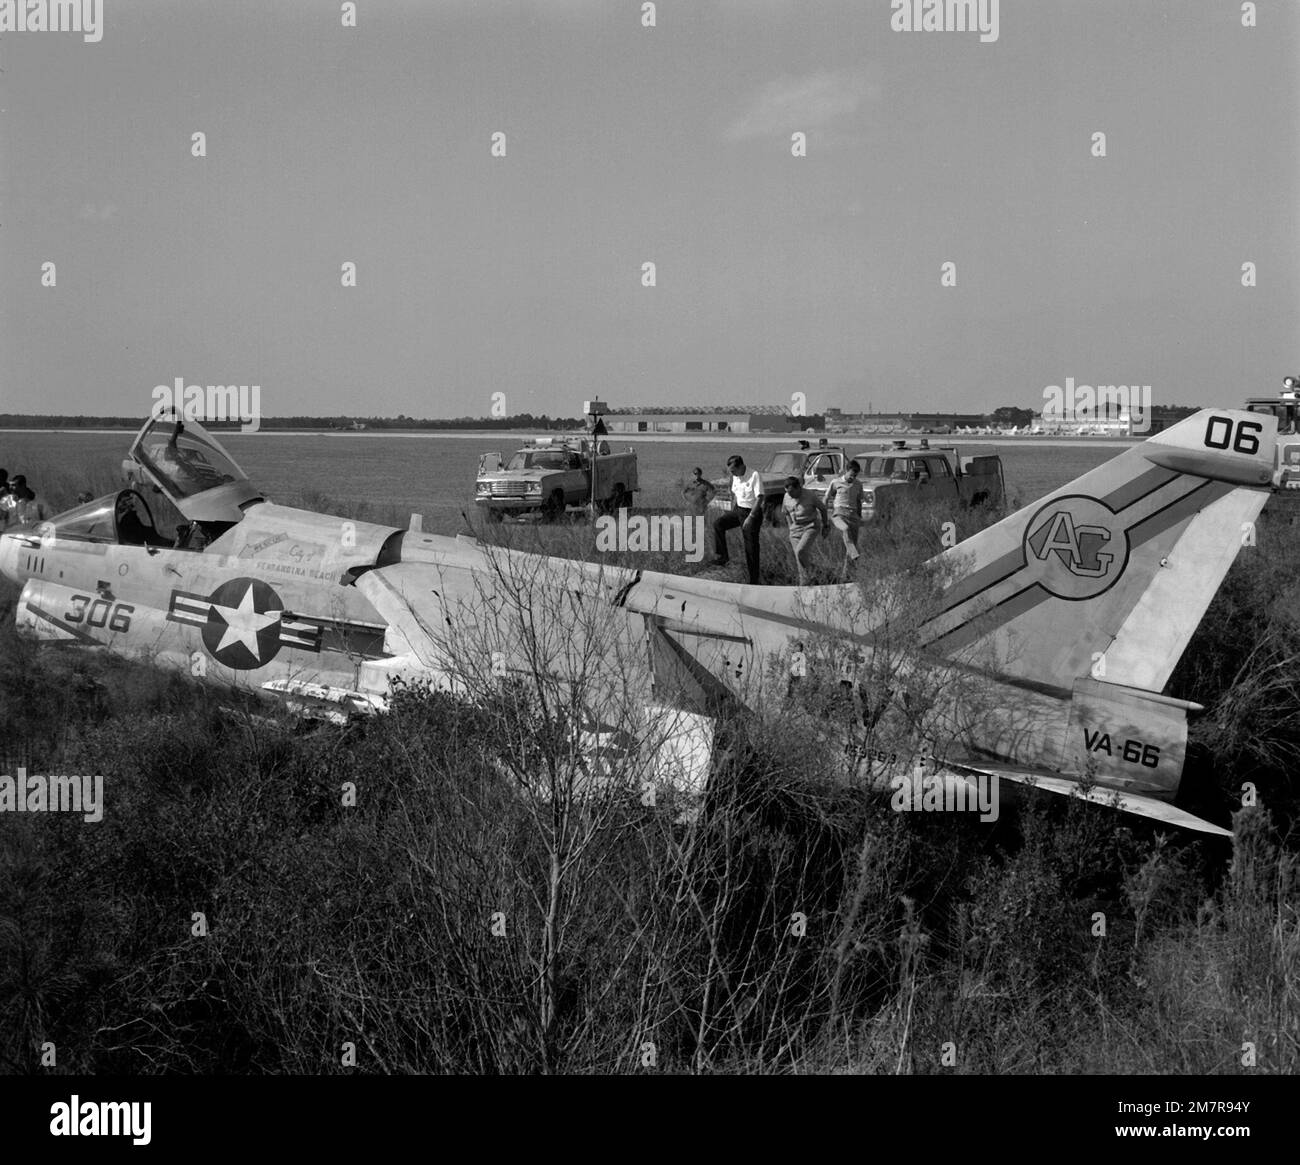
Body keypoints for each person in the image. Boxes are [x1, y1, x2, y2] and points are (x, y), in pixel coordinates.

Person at [710, 455, 763, 583]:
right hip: (738, 510)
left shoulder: (754, 475)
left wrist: (750, 518)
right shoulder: (735, 476)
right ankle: (723, 556)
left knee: (750, 548)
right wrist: (732, 511)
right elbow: (735, 494)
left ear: (741, 466)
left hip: (752, 514)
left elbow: (760, 498)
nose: (732, 473)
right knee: (719, 524)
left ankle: (754, 580)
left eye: (733, 470)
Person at [781, 476, 828, 586]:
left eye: (792, 492)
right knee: (799, 559)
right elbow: (786, 512)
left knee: (800, 551)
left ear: (799, 488)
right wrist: (790, 526)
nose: (790, 495)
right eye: (788, 492)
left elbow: (823, 508)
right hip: (795, 530)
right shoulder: (786, 496)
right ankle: (805, 584)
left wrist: (825, 525)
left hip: (810, 526)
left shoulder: (810, 495)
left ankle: (814, 573)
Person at [825, 459, 864, 576]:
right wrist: (824, 514)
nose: (853, 477)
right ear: (846, 471)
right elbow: (826, 498)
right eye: (851, 475)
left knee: (851, 545)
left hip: (853, 515)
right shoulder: (836, 482)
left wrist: (859, 515)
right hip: (839, 514)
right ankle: (855, 556)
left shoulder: (858, 484)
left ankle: (847, 574)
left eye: (855, 475)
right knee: (845, 529)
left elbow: (859, 501)